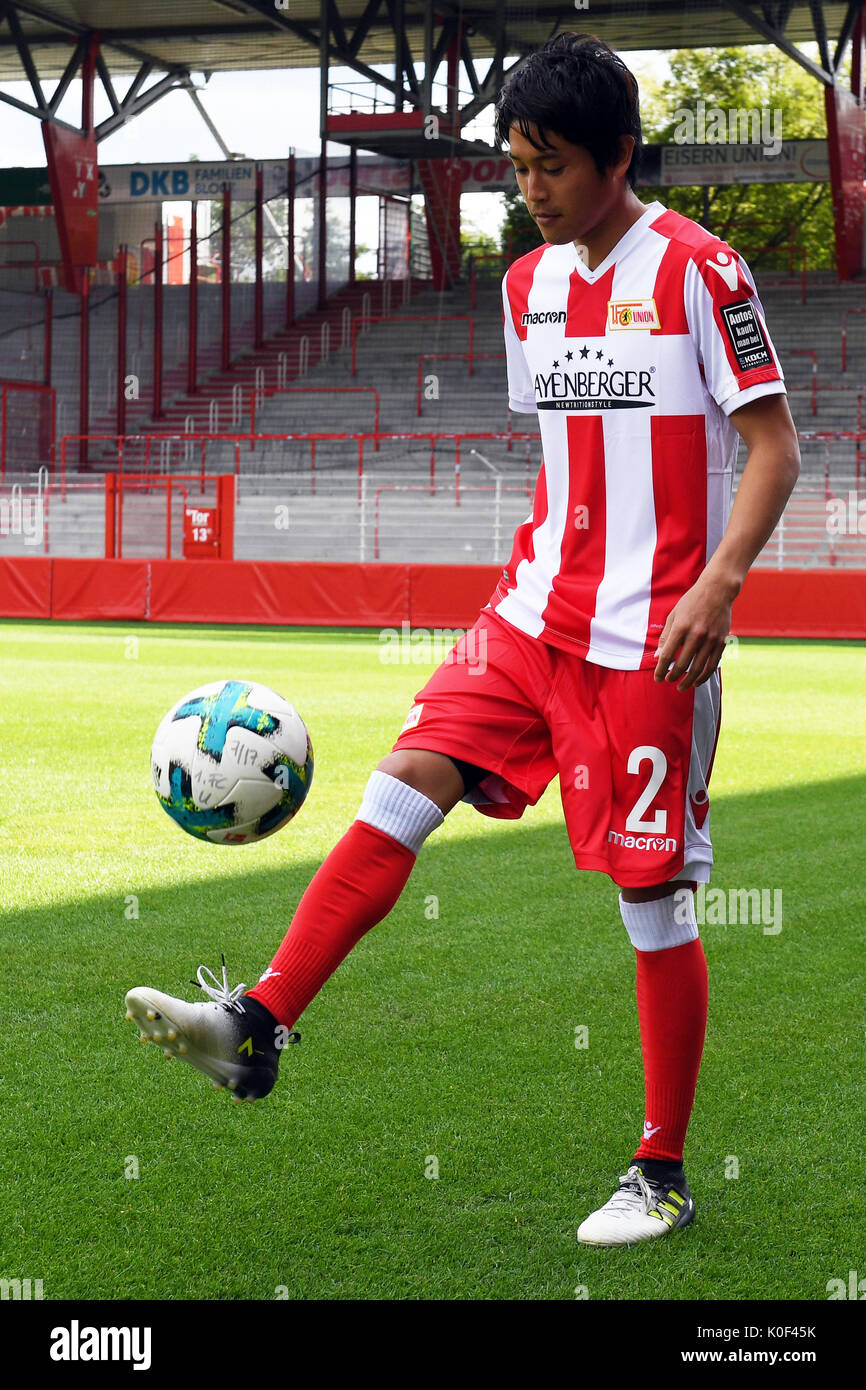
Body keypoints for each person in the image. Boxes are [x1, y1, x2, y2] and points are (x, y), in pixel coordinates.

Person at [125, 32, 800, 1247]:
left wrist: (720, 584)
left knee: (651, 905)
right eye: (516, 164)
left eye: (549, 166)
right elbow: (562, 455)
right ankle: (259, 1026)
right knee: (397, 792)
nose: (527, 188)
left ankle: (658, 1169)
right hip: (527, 617)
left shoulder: (703, 272)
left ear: (617, 156)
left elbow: (772, 447)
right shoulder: (523, 287)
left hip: (648, 642)